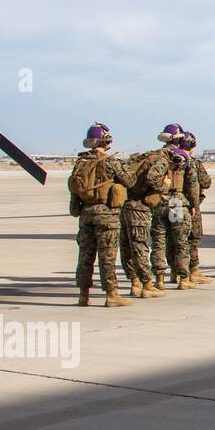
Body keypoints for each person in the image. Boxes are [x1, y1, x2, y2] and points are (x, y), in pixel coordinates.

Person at [68, 123, 139, 308]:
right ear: (106, 140)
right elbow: (130, 181)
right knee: (107, 256)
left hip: (86, 214)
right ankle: (112, 295)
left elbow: (74, 189)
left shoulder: (80, 162)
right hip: (107, 215)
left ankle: (83, 296)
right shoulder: (111, 162)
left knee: (85, 256)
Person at [119, 136, 174, 299]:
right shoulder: (162, 160)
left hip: (126, 205)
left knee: (127, 246)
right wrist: (164, 187)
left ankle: (134, 282)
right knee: (140, 246)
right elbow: (152, 178)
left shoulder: (144, 158)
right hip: (139, 207)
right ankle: (147, 285)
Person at [150, 124, 195, 289]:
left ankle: (159, 279)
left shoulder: (155, 155)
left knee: (159, 242)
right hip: (176, 203)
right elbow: (192, 183)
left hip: (158, 202)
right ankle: (183, 278)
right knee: (181, 241)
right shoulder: (182, 155)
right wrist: (194, 204)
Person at [178, 132, 214, 284]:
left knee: (175, 239)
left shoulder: (170, 160)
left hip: (172, 205)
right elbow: (205, 183)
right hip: (188, 206)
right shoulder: (193, 163)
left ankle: (175, 272)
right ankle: (193, 271)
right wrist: (195, 205)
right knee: (193, 238)